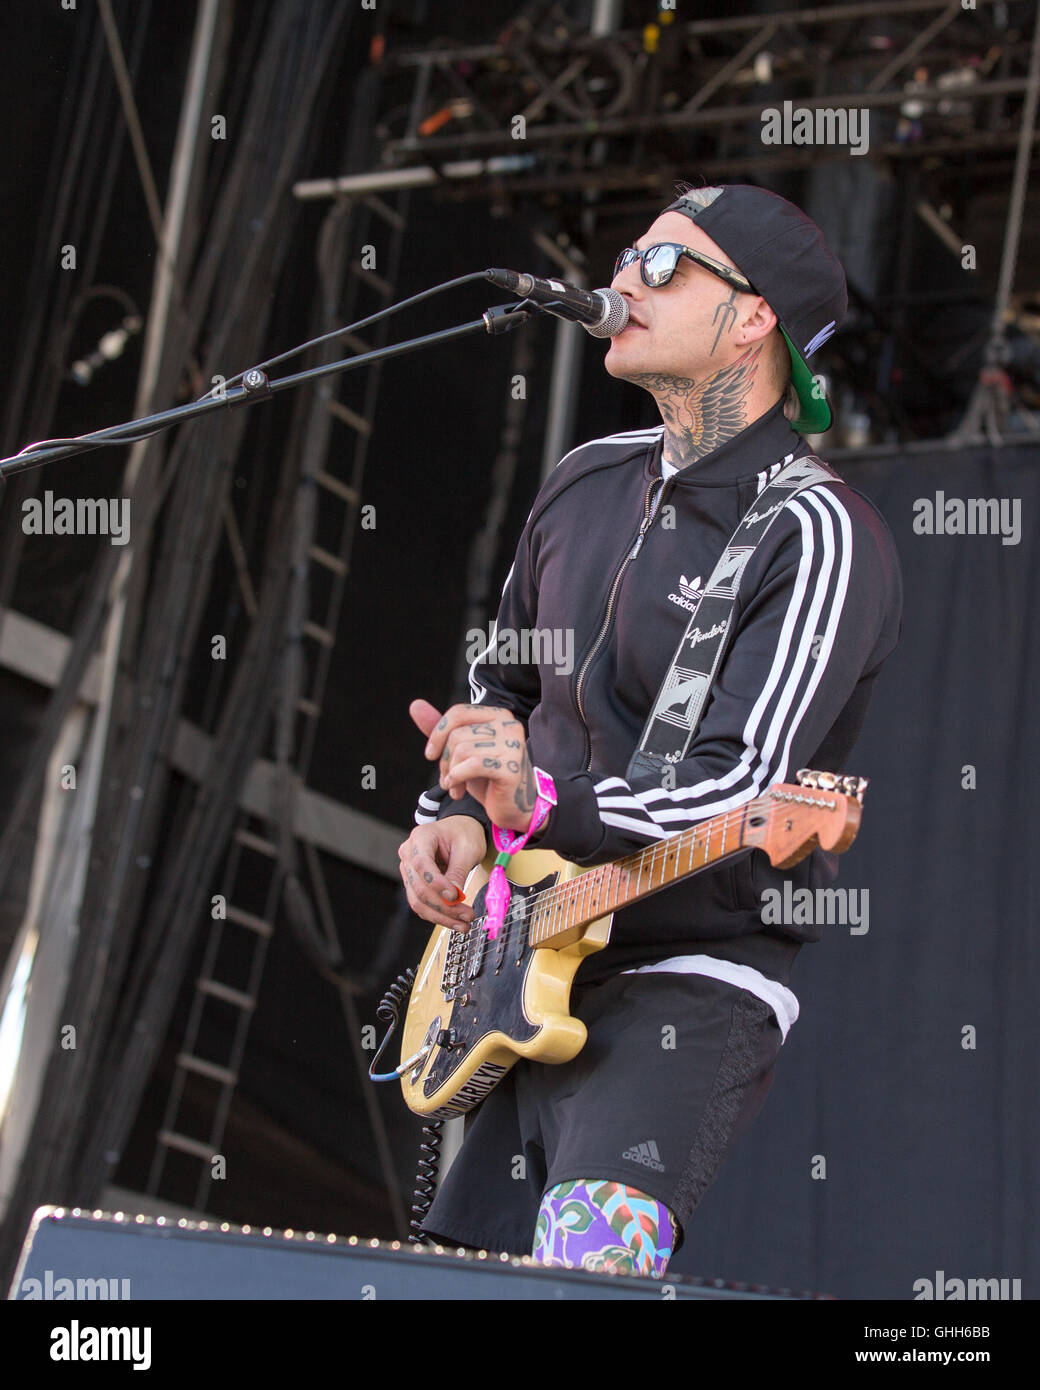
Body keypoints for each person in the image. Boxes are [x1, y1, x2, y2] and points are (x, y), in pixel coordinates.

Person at [397, 183, 903, 1278]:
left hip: (689, 975)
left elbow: (743, 782)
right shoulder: (583, 480)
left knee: (591, 1263)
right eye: (627, 256)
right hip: (522, 966)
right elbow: (503, 690)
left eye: (665, 267)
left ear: (753, 316)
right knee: (447, 1283)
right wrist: (452, 817)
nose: (622, 280)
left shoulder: (813, 532)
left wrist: (536, 803)